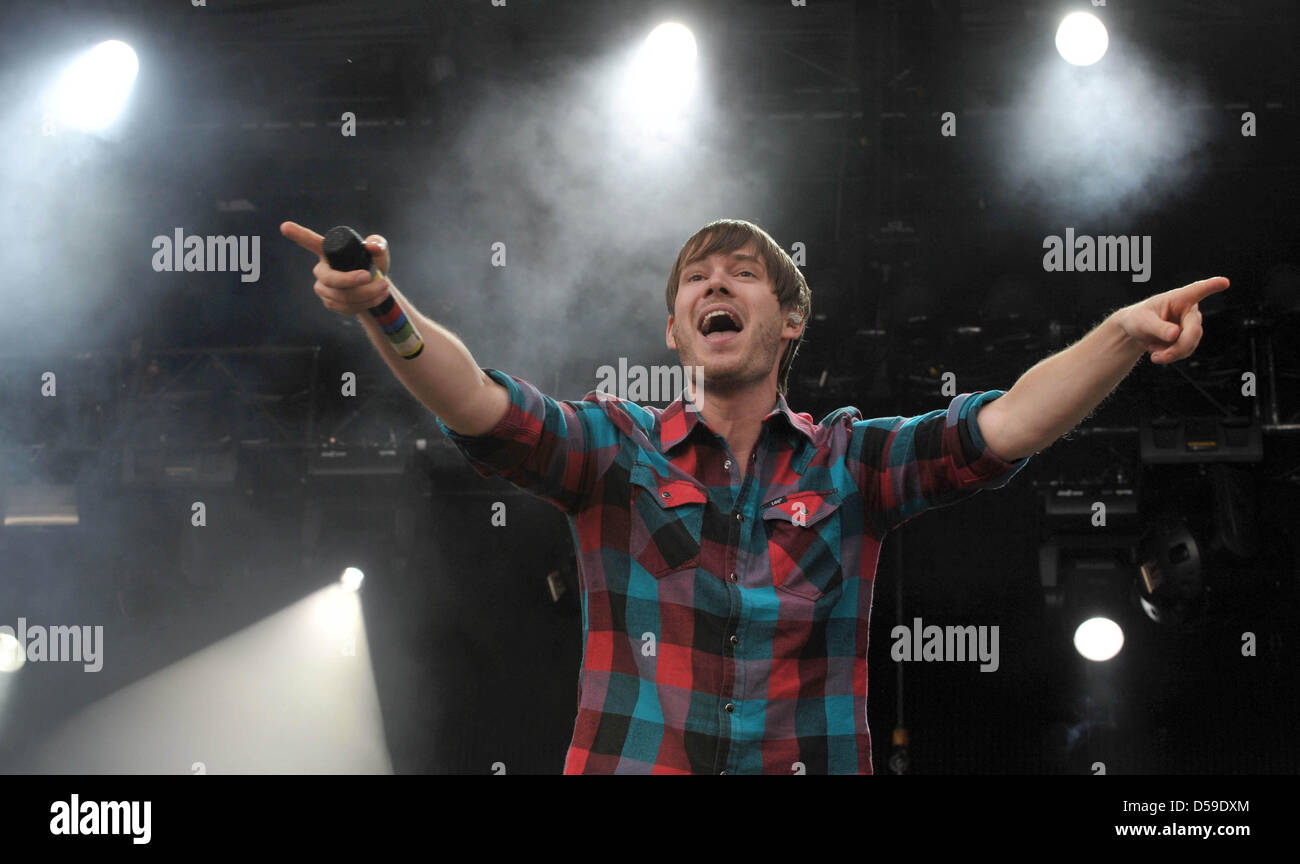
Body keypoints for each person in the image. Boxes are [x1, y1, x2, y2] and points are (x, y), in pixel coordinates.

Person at [282, 217, 1226, 774]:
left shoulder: (851, 463)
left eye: (741, 275)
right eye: (697, 280)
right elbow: (481, 404)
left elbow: (1008, 425)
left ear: (791, 321)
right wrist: (383, 309)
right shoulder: (613, 450)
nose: (715, 285)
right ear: (677, 331)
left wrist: (1122, 335)